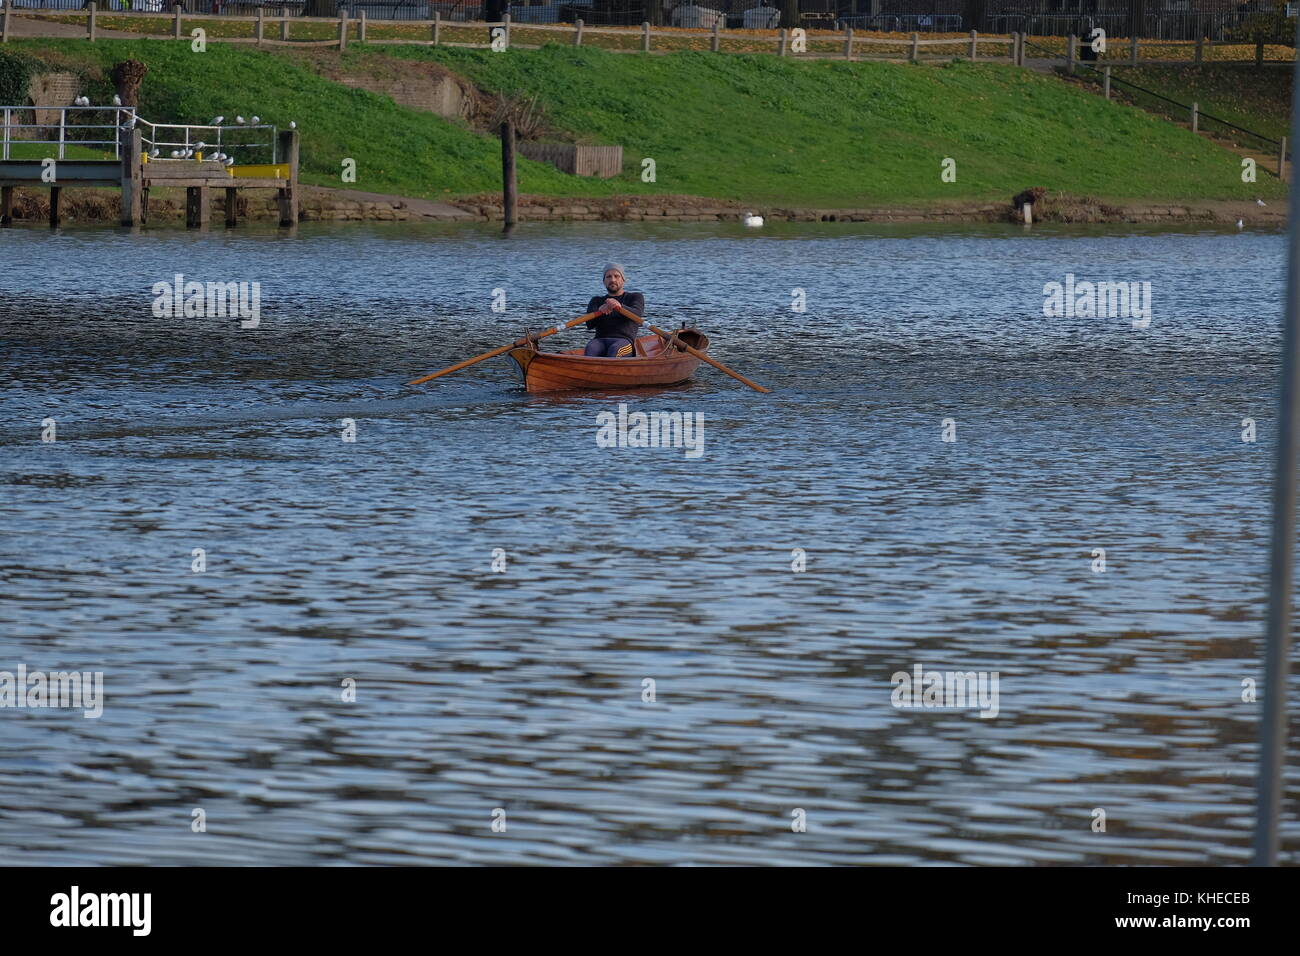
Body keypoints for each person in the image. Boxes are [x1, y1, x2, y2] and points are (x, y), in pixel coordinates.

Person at [583, 264, 645, 358]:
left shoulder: (635, 297)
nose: (612, 280)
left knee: (615, 350)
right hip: (600, 340)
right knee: (590, 348)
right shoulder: (596, 300)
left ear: (623, 280)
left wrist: (619, 307)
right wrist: (599, 311)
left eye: (616, 276)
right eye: (608, 277)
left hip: (624, 341)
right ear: (604, 281)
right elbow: (589, 325)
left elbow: (637, 315)